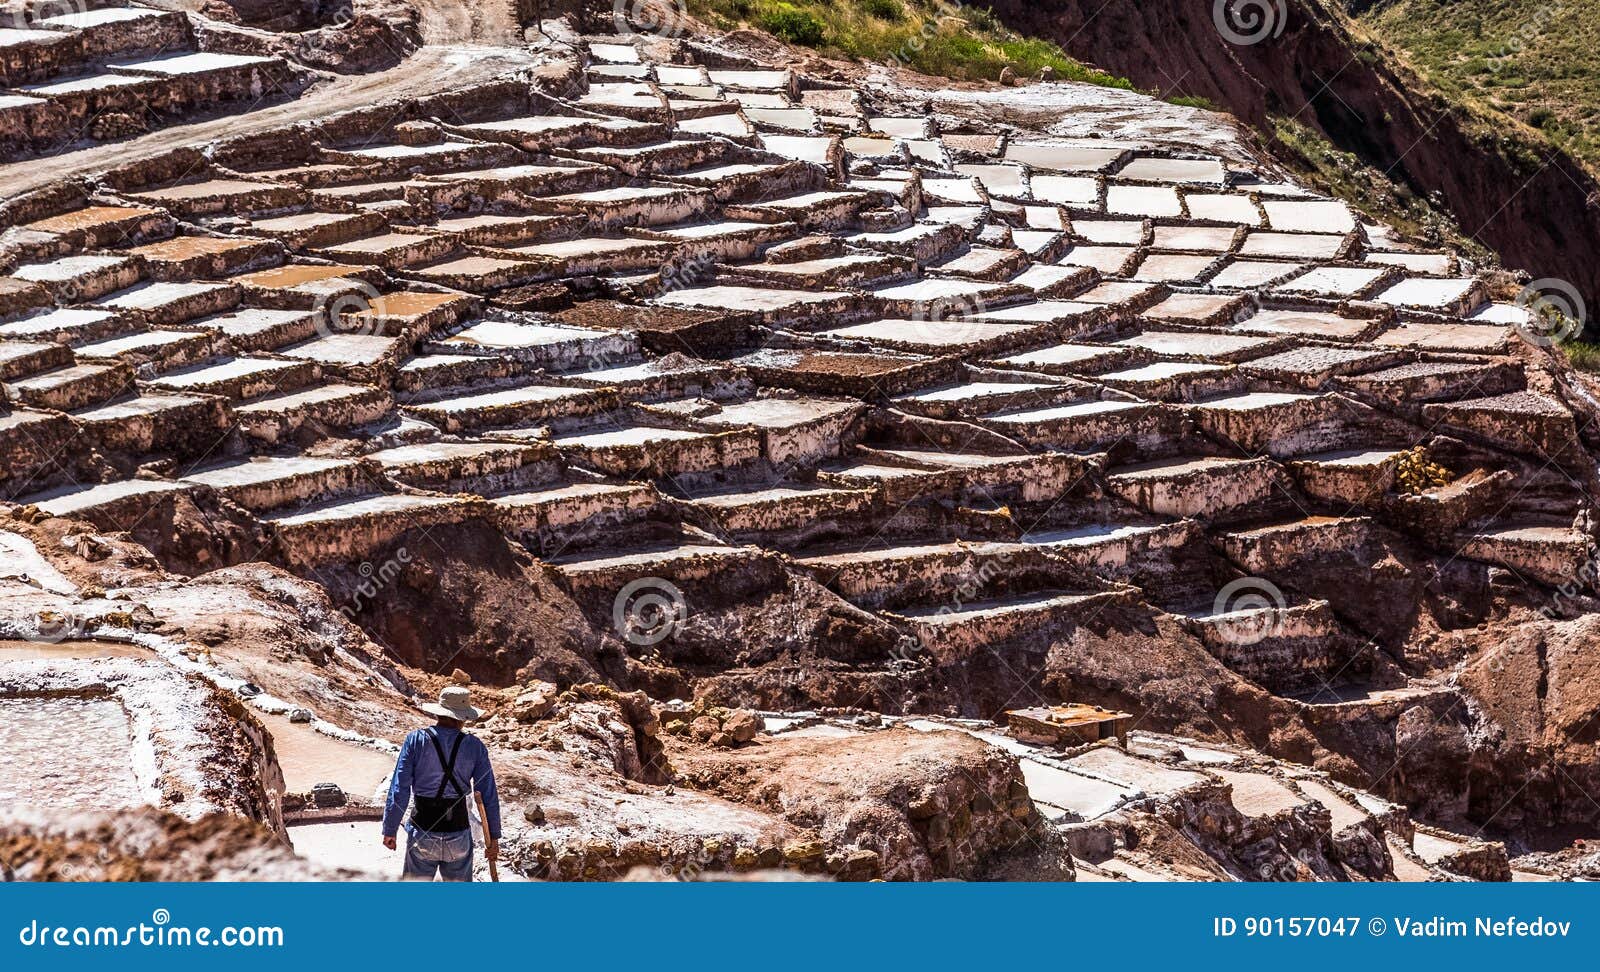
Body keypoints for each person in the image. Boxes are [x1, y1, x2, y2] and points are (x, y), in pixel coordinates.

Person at [381, 685, 501, 881]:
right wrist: (494, 837)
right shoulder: (475, 747)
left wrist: (390, 829)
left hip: (422, 832)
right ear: (463, 717)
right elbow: (488, 794)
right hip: (458, 835)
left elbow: (399, 788)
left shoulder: (415, 740)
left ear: (439, 713)